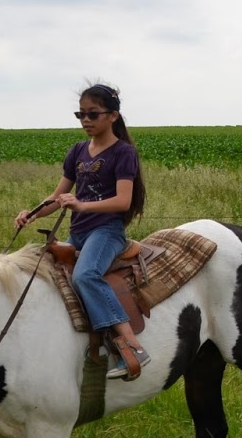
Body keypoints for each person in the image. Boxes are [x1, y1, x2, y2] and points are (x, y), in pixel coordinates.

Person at [16, 82, 151, 380]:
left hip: (106, 231)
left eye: (93, 114)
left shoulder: (123, 152)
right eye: (80, 115)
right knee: (36, 267)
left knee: (85, 274)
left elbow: (123, 200)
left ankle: (131, 345)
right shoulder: (77, 151)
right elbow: (57, 196)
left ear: (113, 115)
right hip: (78, 233)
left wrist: (82, 206)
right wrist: (32, 212)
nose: (86, 121)